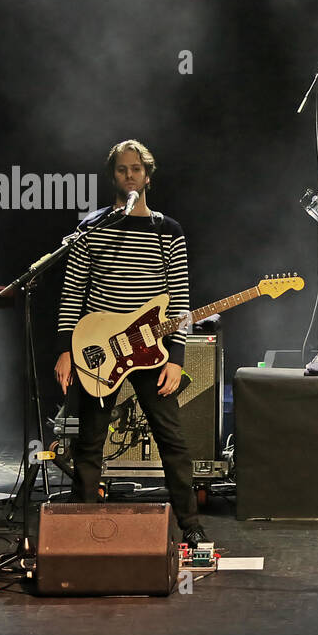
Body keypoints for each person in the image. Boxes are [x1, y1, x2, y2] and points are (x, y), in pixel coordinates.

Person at [54, 139, 204, 543]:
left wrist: (176, 357)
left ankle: (190, 527)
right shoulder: (91, 227)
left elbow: (181, 300)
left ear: (148, 177)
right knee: (89, 441)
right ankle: (84, 526)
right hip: (99, 348)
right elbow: (73, 292)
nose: (129, 175)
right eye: (121, 169)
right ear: (112, 177)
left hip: (153, 350)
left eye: (136, 169)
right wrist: (67, 350)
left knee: (172, 439)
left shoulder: (167, 230)